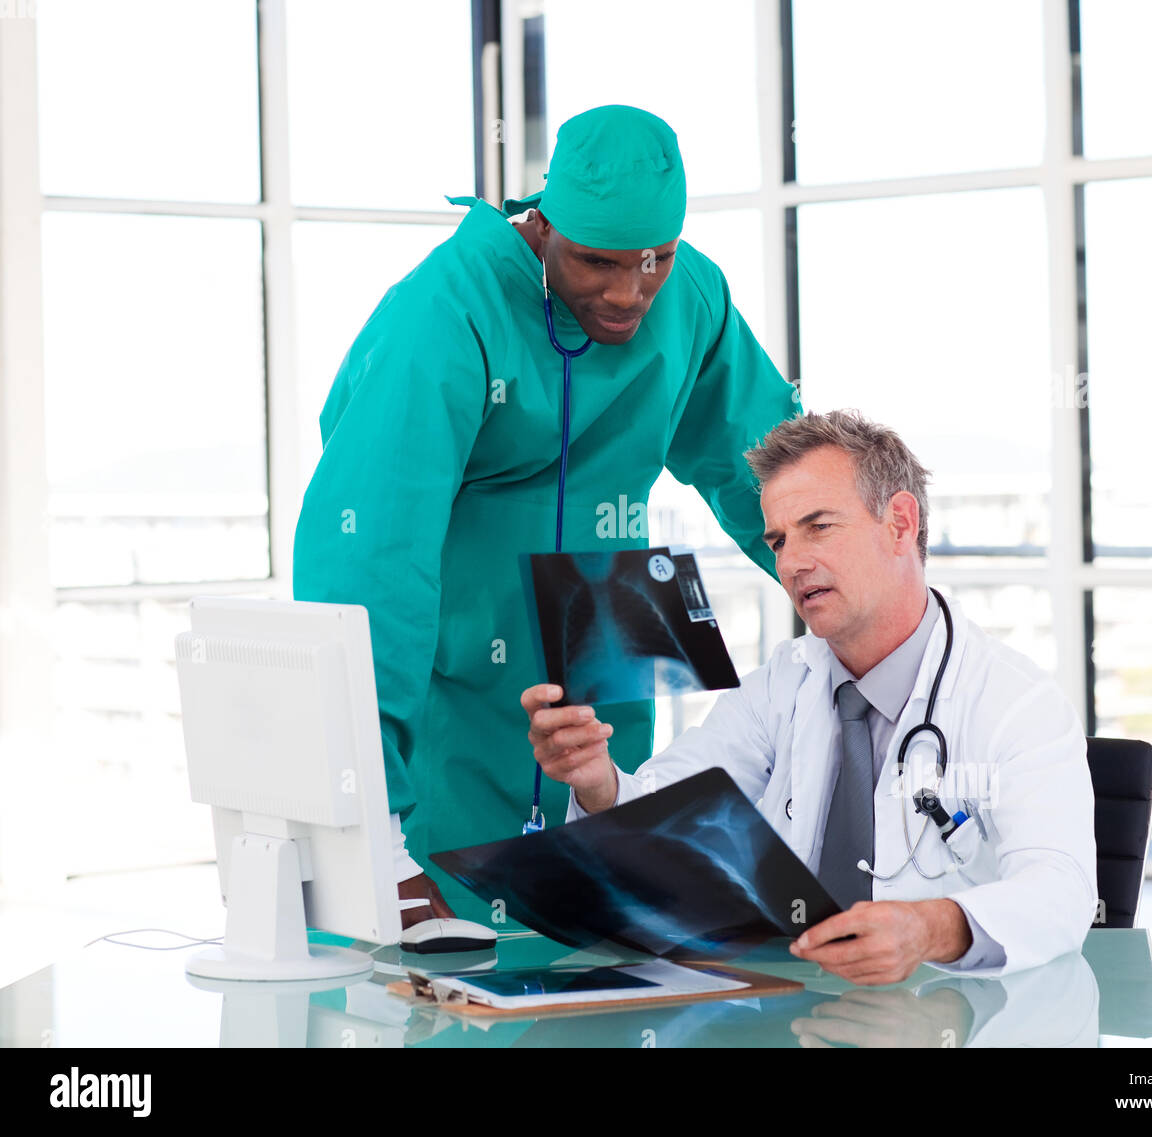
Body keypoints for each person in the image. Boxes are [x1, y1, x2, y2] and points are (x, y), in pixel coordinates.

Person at [293, 105, 800, 926]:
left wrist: (852, 592)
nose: (628, 293)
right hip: (458, 674)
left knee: (604, 952)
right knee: (450, 972)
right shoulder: (444, 311)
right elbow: (370, 557)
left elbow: (770, 467)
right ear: (543, 223)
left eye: (653, 261)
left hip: (613, 653)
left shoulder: (694, 295)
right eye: (596, 261)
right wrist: (375, 844)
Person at [522, 410, 1097, 983]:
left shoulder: (1018, 703)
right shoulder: (783, 683)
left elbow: (1060, 892)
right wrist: (598, 784)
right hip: (791, 1010)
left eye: (818, 527)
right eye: (779, 539)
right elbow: (668, 815)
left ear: (899, 524)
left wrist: (928, 928)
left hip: (955, 1017)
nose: (792, 562)